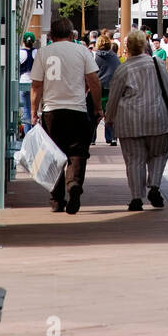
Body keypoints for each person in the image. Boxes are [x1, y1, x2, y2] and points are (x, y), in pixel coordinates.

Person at [30, 17, 102, 214]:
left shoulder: (44, 53)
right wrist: (97, 107)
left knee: (53, 155)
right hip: (77, 110)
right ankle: (74, 183)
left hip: (51, 111)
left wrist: (34, 111)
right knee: (77, 151)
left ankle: (56, 199)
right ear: (72, 35)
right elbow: (94, 81)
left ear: (51, 36)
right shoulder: (82, 51)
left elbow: (36, 85)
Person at [105, 29, 168, 211]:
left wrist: (109, 118)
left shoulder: (123, 69)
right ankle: (154, 185)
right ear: (145, 45)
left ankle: (136, 198)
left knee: (134, 159)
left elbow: (114, 97)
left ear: (127, 47)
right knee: (159, 154)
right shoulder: (158, 64)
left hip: (130, 122)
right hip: (158, 119)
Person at [94, 35, 121, 145]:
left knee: (95, 114)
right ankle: (112, 138)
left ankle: (92, 139)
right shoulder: (114, 57)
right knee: (111, 114)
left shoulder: (96, 57)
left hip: (99, 87)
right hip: (112, 87)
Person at [18, 32, 37, 137]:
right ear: (33, 42)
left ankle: (27, 134)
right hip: (34, 84)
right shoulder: (37, 53)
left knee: (26, 110)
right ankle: (34, 134)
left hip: (23, 82)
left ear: (23, 41)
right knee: (34, 110)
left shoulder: (20, 53)